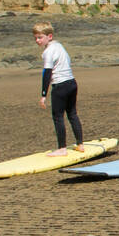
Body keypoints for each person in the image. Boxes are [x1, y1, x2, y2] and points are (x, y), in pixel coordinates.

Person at [33, 22, 84, 156]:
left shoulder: (47, 52)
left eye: (40, 37)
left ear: (49, 36)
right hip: (72, 83)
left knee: (58, 117)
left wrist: (43, 95)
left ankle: (62, 149)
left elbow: (47, 74)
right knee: (72, 114)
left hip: (60, 86)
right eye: (36, 38)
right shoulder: (59, 46)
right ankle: (80, 144)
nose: (37, 40)